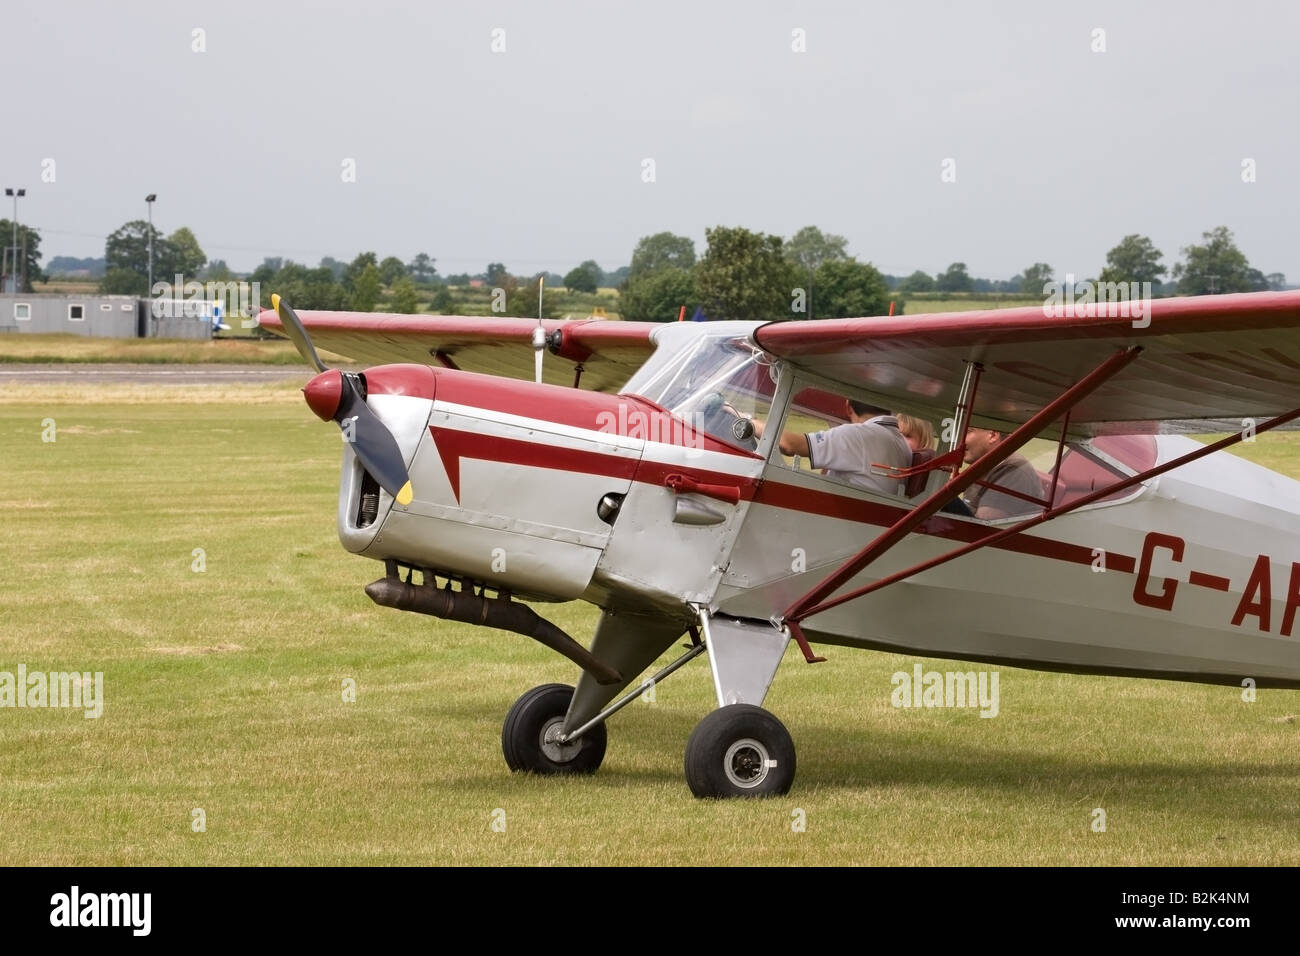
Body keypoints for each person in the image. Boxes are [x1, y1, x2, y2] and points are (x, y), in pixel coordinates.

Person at [756, 400, 912, 495]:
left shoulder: (859, 435)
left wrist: (748, 421)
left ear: (848, 407)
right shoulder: (899, 440)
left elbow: (788, 445)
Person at [961, 428, 1043, 519]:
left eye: (968, 431)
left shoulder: (1013, 470)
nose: (960, 439)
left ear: (993, 435)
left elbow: (983, 526)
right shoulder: (982, 464)